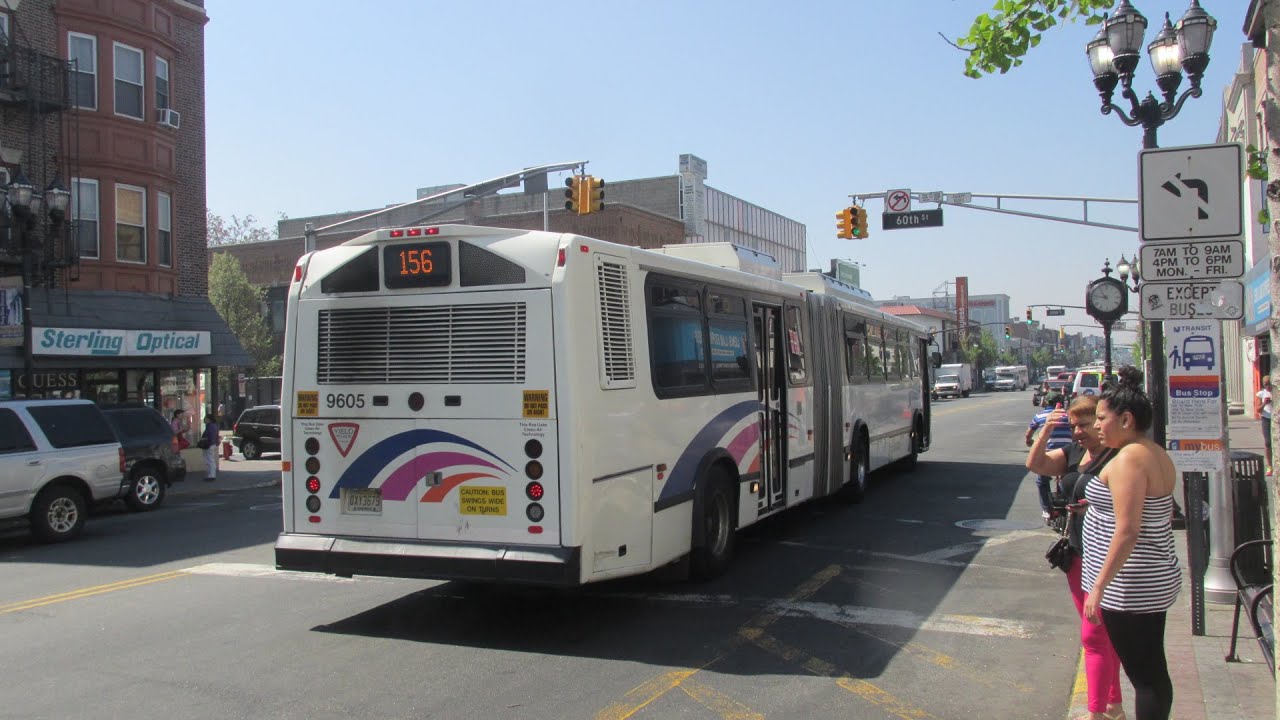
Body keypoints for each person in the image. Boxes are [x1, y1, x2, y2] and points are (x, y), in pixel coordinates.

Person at [1082, 367, 1180, 720]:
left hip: (1131, 585)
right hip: (1149, 578)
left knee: (1145, 676)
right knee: (1151, 669)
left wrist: (1098, 587)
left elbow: (1127, 530)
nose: (1096, 426)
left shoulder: (1130, 459)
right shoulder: (1148, 450)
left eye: (1101, 418)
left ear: (1125, 419)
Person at [1027, 396, 1124, 720]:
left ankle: (1096, 712)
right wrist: (1045, 432)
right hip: (1077, 553)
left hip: (1106, 556)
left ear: (1100, 423)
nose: (1078, 431)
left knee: (1093, 634)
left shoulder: (1117, 457)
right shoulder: (1072, 454)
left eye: (1083, 424)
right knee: (1099, 633)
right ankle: (1114, 704)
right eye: (1073, 426)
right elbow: (1036, 465)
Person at [1026, 399, 1074, 521]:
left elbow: (1029, 434)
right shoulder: (1067, 414)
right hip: (1068, 453)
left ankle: (1047, 509)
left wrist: (1029, 441)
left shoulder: (1040, 415)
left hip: (1049, 454)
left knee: (1042, 481)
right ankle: (1069, 503)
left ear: (1046, 403)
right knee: (1067, 479)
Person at [1256, 375, 1272, 475]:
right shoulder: (1261, 394)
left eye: (1268, 384)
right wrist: (1264, 403)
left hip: (1276, 418)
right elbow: (1258, 409)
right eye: (1265, 384)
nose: (1267, 386)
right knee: (1268, 442)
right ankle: (1269, 466)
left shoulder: (1276, 391)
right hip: (1266, 418)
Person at [200, 412, 219, 482]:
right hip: (211, 444)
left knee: (210, 460)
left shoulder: (211, 426)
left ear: (209, 419)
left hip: (209, 445)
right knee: (209, 460)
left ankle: (211, 475)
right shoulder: (211, 426)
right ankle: (210, 474)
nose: (204, 420)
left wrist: (208, 443)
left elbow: (211, 436)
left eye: (206, 418)